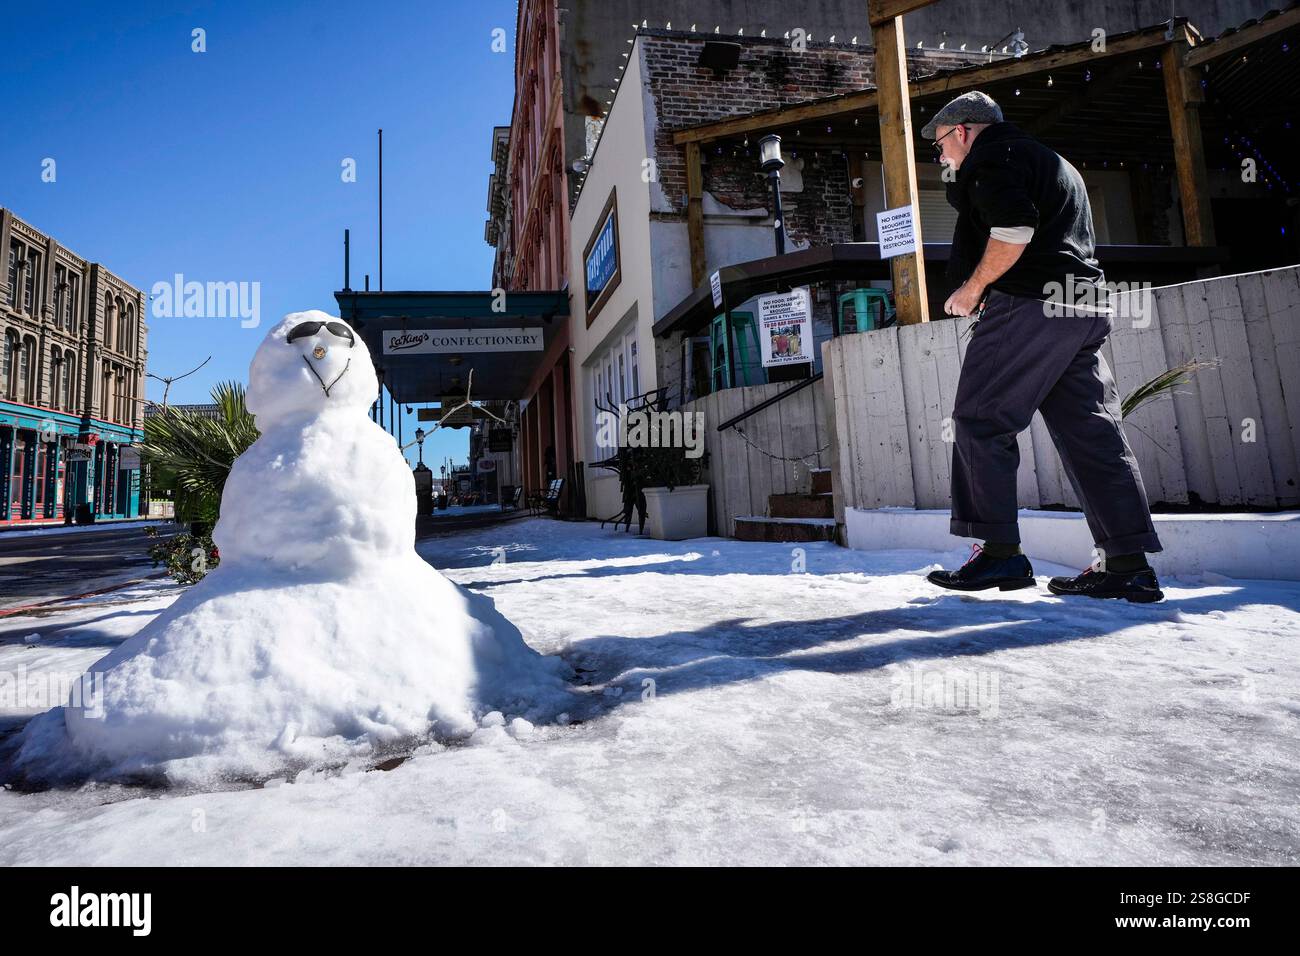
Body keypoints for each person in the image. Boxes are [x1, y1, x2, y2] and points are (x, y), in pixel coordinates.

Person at [920, 91, 1164, 603]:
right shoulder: (1059, 165)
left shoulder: (992, 157)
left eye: (941, 144)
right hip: (1083, 305)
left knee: (982, 419)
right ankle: (1127, 564)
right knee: (1091, 434)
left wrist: (971, 288)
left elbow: (1014, 228)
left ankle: (999, 554)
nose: (941, 157)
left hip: (1029, 304)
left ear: (962, 131)